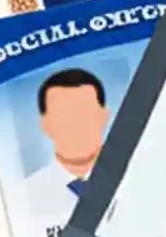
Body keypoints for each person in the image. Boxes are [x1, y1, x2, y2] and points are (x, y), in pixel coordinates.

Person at [25, 68, 110, 224]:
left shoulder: (139, 176)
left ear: (103, 117)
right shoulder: (24, 196)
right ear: (45, 125)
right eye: (63, 115)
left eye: (84, 113)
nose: (75, 125)